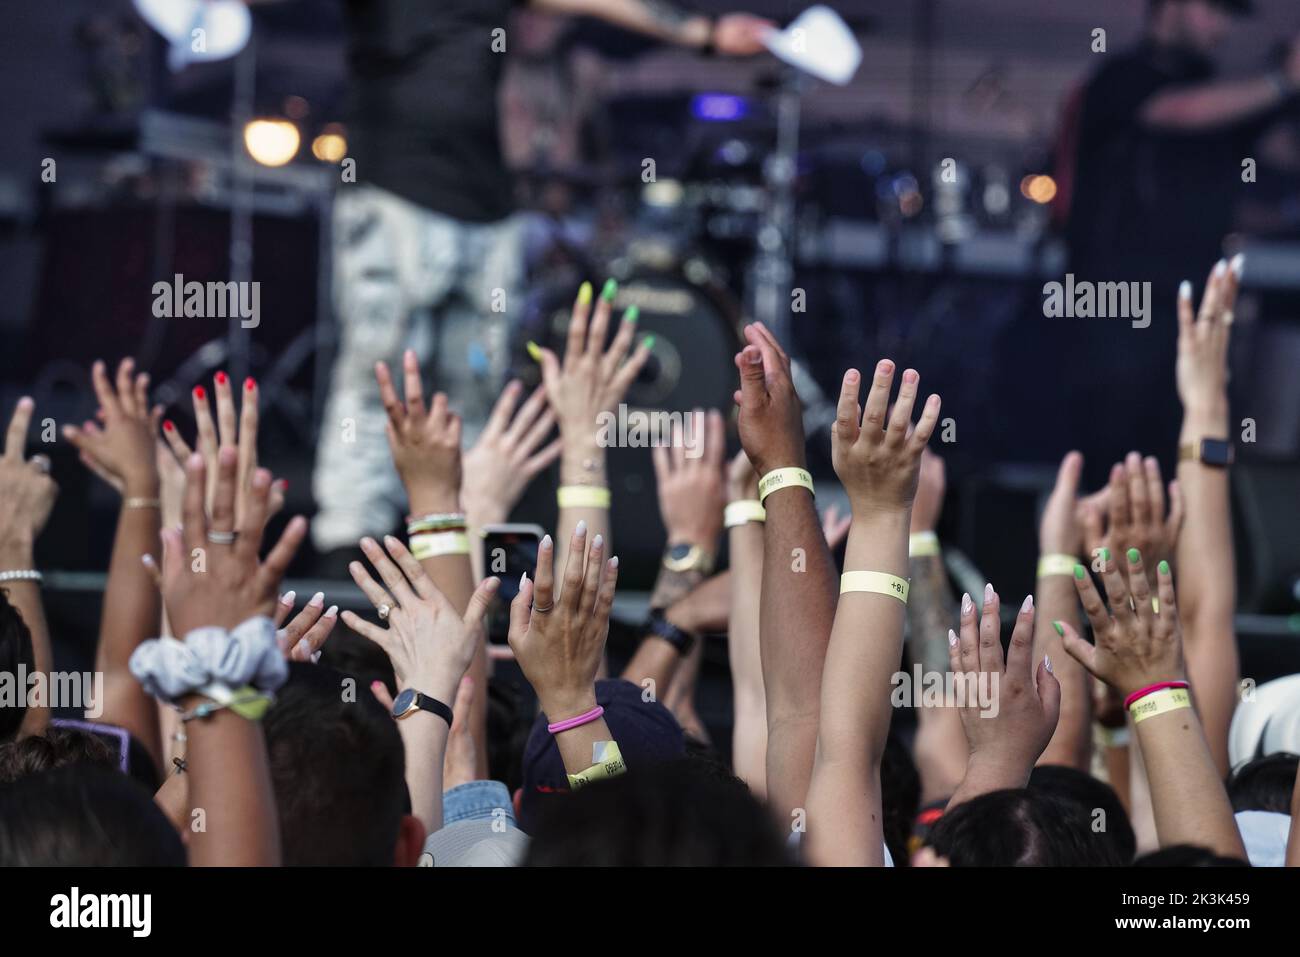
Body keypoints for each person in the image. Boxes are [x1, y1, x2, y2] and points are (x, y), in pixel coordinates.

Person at [306, 0, 775, 560]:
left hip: (487, 203)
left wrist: (704, 33)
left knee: (475, 382)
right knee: (378, 369)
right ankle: (347, 539)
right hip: (391, 193)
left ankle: (466, 528)